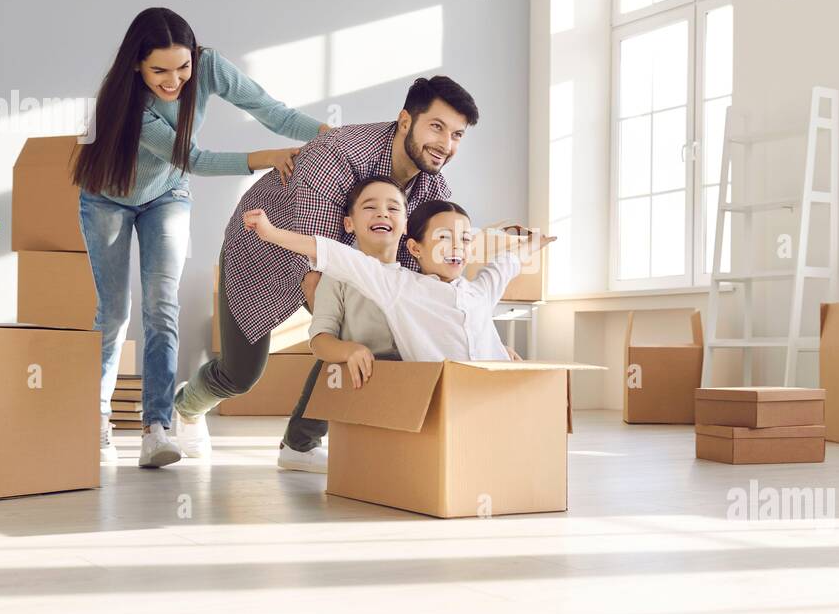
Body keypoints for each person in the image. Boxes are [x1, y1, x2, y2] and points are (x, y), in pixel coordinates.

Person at [172, 76, 479, 470]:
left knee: (366, 332)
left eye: (457, 135)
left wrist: (479, 338)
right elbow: (314, 263)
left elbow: (430, 270)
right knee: (239, 374)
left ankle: (299, 445)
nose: (445, 145)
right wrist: (342, 336)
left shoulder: (434, 187)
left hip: (341, 263)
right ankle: (187, 404)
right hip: (265, 251)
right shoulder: (334, 155)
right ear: (406, 120)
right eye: (436, 127)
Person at [73, 7, 326, 468]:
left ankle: (156, 430)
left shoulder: (209, 68)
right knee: (114, 313)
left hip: (167, 194)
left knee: (161, 306)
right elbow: (192, 157)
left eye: (183, 67)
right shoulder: (130, 105)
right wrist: (263, 157)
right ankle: (96, 421)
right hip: (108, 198)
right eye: (160, 71)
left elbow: (270, 110)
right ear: (136, 65)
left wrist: (332, 136)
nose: (175, 81)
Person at [240, 199, 555, 363]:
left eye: (464, 239)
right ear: (415, 248)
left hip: (499, 390)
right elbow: (337, 256)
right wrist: (271, 233)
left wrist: (533, 244)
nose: (457, 246)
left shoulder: (478, 292)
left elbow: (504, 264)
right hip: (449, 396)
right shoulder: (400, 288)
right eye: (445, 237)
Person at [278, 175, 408, 471]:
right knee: (329, 366)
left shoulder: (415, 279)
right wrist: (348, 350)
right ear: (349, 224)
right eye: (370, 207)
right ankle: (299, 444)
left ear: (406, 225)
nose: (382, 213)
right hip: (352, 367)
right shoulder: (337, 275)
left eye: (393, 208)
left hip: (401, 372)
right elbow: (320, 340)